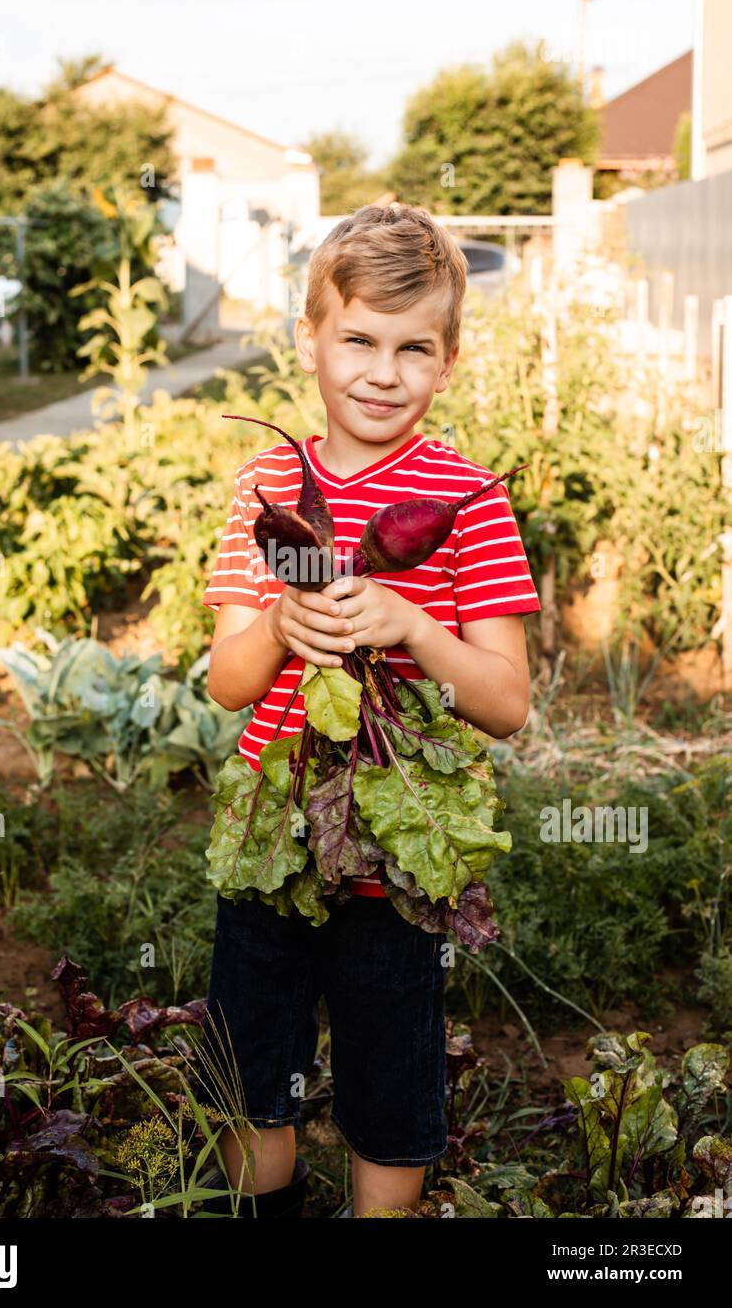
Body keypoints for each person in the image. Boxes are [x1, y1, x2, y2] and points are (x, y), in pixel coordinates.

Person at [191, 202, 542, 1218]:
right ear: (310, 339)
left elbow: (505, 702)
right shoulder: (268, 485)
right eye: (356, 339)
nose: (381, 372)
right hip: (271, 831)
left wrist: (411, 626)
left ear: (448, 360)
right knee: (254, 1063)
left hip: (398, 846)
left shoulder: (467, 501)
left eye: (411, 348)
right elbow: (226, 681)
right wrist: (279, 627)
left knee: (391, 1066)